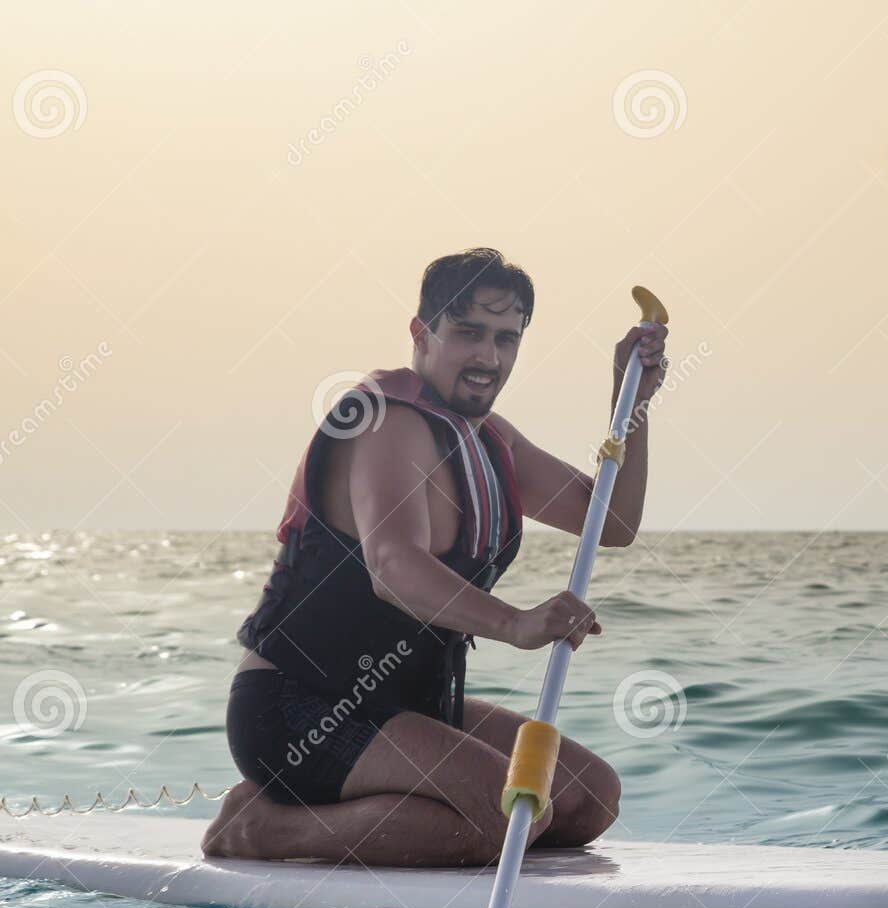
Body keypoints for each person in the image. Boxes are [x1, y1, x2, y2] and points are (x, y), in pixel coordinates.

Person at [203, 248, 667, 867]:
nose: (488, 357)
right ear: (423, 334)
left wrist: (629, 398)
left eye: (507, 339)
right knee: (511, 819)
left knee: (590, 799)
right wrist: (517, 623)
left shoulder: (490, 439)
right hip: (302, 708)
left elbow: (610, 522)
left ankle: (390, 814)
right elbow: (393, 567)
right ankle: (261, 827)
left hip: (411, 707)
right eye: (468, 333)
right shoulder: (385, 422)